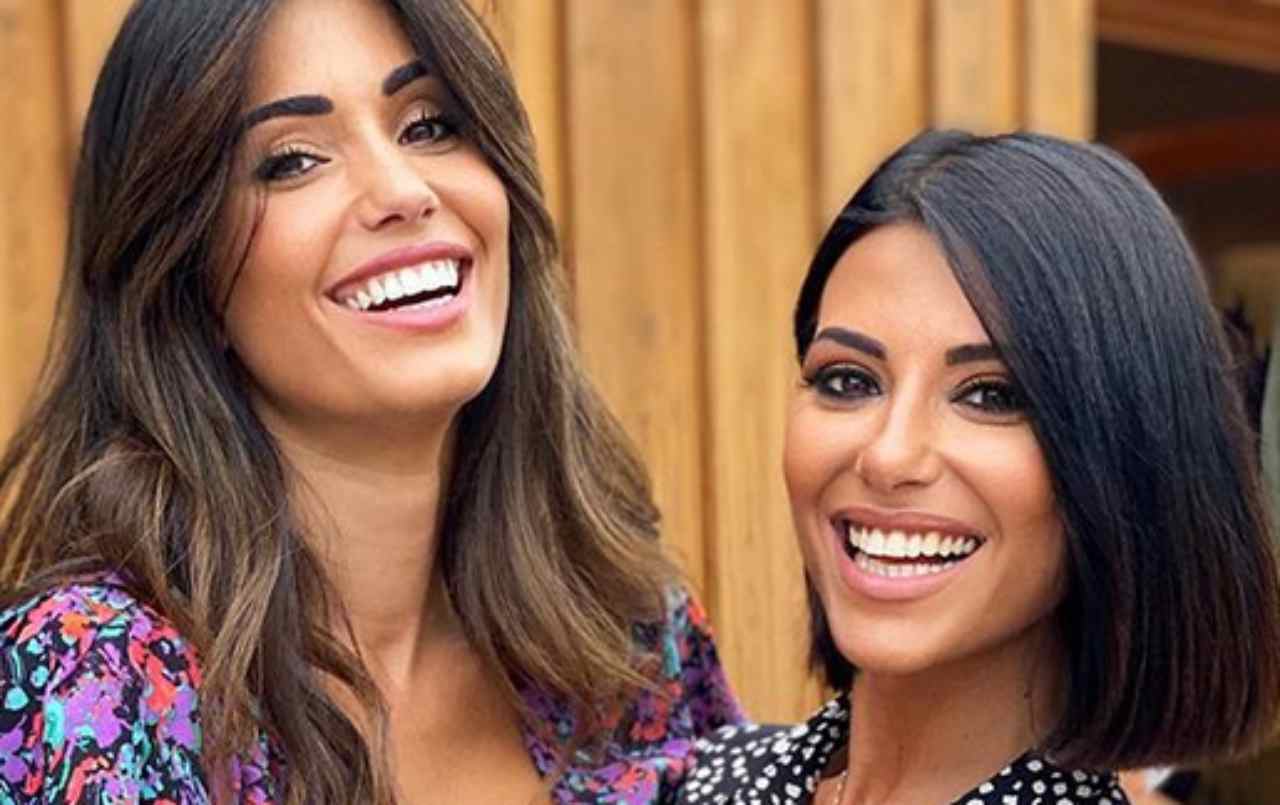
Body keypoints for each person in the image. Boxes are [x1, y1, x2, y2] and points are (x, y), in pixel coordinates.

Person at [0, 0, 741, 802]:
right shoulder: (96, 680)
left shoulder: (631, 643)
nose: (402, 190)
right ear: (186, 277)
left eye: (428, 126)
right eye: (293, 160)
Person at [674, 130, 1280, 805]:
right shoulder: (697, 779)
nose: (889, 455)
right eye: (848, 380)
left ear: (1125, 456)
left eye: (991, 395)